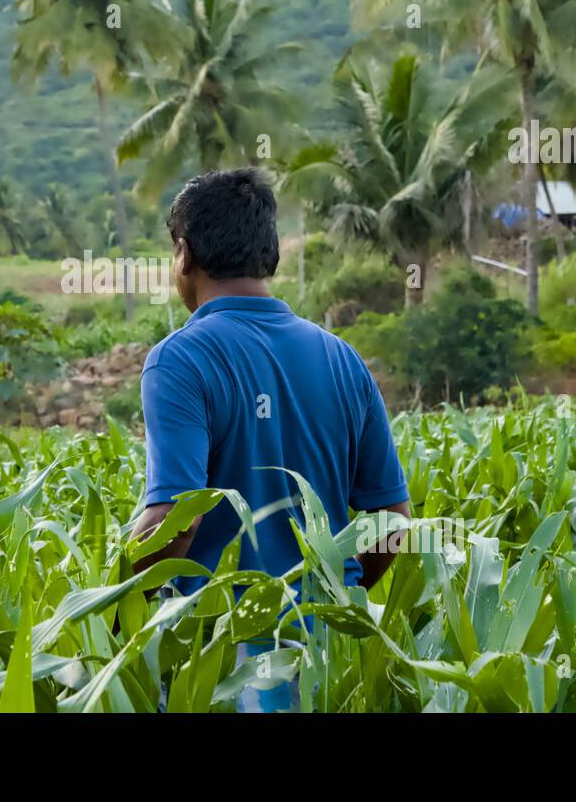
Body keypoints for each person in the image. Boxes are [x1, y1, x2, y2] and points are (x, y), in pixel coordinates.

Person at [129, 168, 412, 711]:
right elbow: (392, 522)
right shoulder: (342, 359)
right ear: (269, 253)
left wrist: (116, 603)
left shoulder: (180, 358)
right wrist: (333, 592)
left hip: (221, 663)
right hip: (333, 660)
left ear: (184, 255)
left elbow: (176, 522)